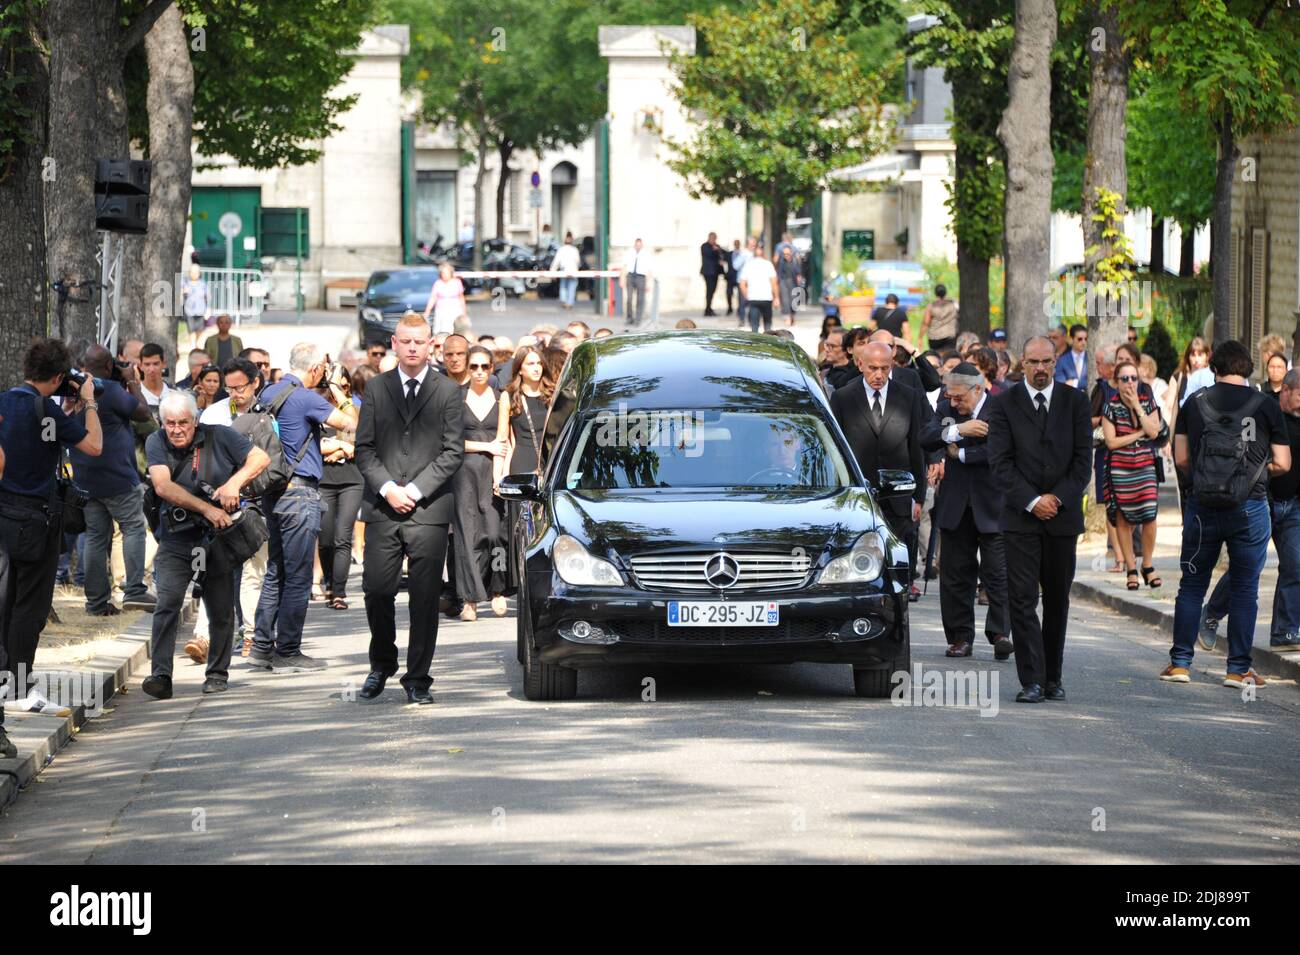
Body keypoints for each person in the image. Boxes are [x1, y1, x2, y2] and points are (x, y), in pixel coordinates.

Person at [1162, 340, 1291, 688]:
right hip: (1249, 507)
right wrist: (1254, 476)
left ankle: (1180, 663)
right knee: (1246, 588)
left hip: (1202, 507)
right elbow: (1282, 462)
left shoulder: (1195, 402)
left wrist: (1203, 483)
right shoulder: (1266, 405)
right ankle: (1237, 669)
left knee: (1191, 585)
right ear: (1248, 368)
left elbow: (1183, 458)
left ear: (1214, 369)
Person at [354, 313, 464, 704]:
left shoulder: (448, 392)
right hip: (384, 508)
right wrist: (387, 488)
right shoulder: (377, 389)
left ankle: (418, 678)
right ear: (395, 344)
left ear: (431, 344)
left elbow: (453, 452)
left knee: (424, 598)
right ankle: (382, 663)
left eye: (420, 341)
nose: (413, 347)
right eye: (406, 341)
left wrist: (415, 490)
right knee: (377, 590)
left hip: (429, 509)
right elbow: (363, 449)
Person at [0, 340, 102, 742]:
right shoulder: (48, 411)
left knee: (4, 602)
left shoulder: (6, 401)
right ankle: (20, 689)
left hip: (3, 516)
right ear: (60, 377)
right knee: (30, 606)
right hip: (36, 521)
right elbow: (93, 445)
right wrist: (89, 403)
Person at [140, 392, 270, 699]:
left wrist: (234, 484)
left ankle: (217, 673)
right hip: (176, 537)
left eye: (182, 422)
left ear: (195, 421)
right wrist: (208, 508)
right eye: (169, 423)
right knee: (167, 604)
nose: (176, 429)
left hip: (217, 538)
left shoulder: (218, 436)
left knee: (221, 608)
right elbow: (162, 486)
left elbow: (260, 458)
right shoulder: (156, 441)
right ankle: (160, 674)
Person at [986, 335, 1092, 704]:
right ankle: (1031, 678)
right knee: (1023, 599)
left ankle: (1053, 678)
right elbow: (1000, 464)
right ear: (1023, 365)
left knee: (1058, 600)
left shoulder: (1075, 401)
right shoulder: (1003, 405)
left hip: (1062, 519)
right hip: (1021, 518)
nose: (1042, 368)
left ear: (1055, 361)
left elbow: (1083, 463)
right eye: (1034, 362)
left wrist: (1057, 499)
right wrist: (1032, 501)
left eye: (1048, 361)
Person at [249, 343, 358, 672]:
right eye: (322, 369)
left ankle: (262, 646)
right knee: (297, 577)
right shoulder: (306, 397)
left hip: (273, 490)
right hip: (300, 493)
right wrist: (338, 390)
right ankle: (289, 651)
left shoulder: (270, 392)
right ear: (314, 369)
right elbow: (351, 423)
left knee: (276, 570)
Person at [920, 363, 1013, 660]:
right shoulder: (947, 408)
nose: (954, 402)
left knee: (997, 572)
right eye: (951, 397)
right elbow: (926, 437)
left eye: (960, 397)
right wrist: (958, 430)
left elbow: (1001, 451)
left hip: (993, 503)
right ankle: (960, 636)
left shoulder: (1001, 407)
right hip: (955, 503)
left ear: (978, 388)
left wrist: (959, 452)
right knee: (956, 574)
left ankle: (1000, 633)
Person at [830, 342, 926, 589]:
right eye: (873, 368)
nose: (879, 375)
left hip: (899, 497)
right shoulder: (843, 397)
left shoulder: (908, 396)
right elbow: (836, 450)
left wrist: (918, 496)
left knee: (896, 568)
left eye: (885, 368)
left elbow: (916, 447)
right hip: (858, 495)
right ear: (860, 365)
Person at [70, 345, 155, 617]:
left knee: (95, 536)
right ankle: (134, 591)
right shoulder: (109, 388)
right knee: (133, 528)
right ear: (108, 366)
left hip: (85, 478)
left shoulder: (76, 389)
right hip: (117, 476)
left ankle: (96, 602)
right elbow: (143, 413)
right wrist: (131, 379)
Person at [452, 345, 512, 621]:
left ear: (491, 369)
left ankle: (497, 591)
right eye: (473, 366)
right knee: (468, 535)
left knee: (495, 534)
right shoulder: (456, 397)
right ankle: (470, 599)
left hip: (492, 471)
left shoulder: (502, 398)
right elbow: (450, 441)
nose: (478, 372)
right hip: (463, 472)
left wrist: (500, 475)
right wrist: (484, 446)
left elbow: (503, 442)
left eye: (484, 367)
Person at [1101, 358, 1167, 591]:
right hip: (1120, 469)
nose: (1130, 383)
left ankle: (1147, 565)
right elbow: (1110, 442)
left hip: (1145, 467)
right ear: (1115, 382)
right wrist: (1138, 433)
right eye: (1124, 379)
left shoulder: (1148, 402)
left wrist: (1138, 408)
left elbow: (1154, 431)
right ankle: (1130, 567)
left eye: (1133, 378)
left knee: (1150, 515)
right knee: (1123, 518)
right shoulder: (1110, 406)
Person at [317, 364, 363, 612]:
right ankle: (328, 581)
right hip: (324, 480)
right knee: (325, 539)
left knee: (342, 536)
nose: (340, 391)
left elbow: (359, 439)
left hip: (352, 479)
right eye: (335, 385)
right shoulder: (317, 407)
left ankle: (339, 591)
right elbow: (315, 444)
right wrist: (341, 447)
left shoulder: (354, 408)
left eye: (345, 386)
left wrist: (344, 446)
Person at [739, 245, 779, 334]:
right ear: (763, 254)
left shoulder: (748, 265)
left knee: (754, 325)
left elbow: (742, 284)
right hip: (766, 297)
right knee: (768, 325)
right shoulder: (768, 264)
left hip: (753, 298)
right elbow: (774, 282)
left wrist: (747, 295)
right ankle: (768, 343)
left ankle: (755, 344)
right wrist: (776, 297)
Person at [423, 262, 467, 335]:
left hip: (454, 310)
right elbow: (433, 298)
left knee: (455, 329)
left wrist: (464, 312)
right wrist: (427, 311)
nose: (445, 275)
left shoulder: (457, 282)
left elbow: (461, 297)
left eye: (446, 273)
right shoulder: (438, 283)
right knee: (440, 330)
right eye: (443, 273)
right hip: (441, 310)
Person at [623, 238, 653, 327]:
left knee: (640, 300)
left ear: (642, 245)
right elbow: (624, 266)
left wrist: (648, 283)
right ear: (635, 245)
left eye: (640, 245)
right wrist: (622, 278)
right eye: (637, 245)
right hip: (630, 276)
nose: (638, 247)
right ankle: (629, 318)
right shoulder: (629, 253)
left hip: (641, 277)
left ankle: (638, 319)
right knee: (629, 299)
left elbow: (649, 270)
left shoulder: (646, 255)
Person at [921, 285, 958, 351]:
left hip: (935, 337)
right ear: (945, 292)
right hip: (950, 335)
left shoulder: (931, 306)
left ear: (935, 293)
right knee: (949, 356)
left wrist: (920, 337)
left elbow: (926, 323)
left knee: (936, 357)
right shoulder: (953, 304)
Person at [181, 263, 210, 350]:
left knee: (200, 329)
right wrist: (183, 291)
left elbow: (207, 296)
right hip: (189, 310)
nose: (194, 274)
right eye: (192, 272)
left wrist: (208, 309)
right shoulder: (185, 282)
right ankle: (192, 346)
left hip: (200, 310)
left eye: (196, 272)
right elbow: (179, 292)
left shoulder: (203, 283)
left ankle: (197, 343)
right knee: (191, 330)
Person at [551, 236, 582, 310]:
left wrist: (553, 271)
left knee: (563, 286)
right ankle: (570, 303)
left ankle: (564, 300)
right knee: (572, 287)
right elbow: (578, 261)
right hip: (573, 270)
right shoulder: (575, 250)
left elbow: (556, 261)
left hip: (564, 270)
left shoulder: (561, 249)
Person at [776, 244, 803, 327]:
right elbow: (778, 274)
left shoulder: (795, 262)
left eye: (787, 254)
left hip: (793, 282)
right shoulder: (781, 262)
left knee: (793, 301)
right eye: (784, 254)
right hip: (783, 282)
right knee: (785, 300)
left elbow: (798, 273)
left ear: (791, 253)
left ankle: (792, 316)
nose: (786, 256)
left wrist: (799, 280)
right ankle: (787, 318)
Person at [1055, 324, 1089, 390]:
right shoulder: (1062, 360)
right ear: (1071, 339)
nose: (1083, 342)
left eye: (1086, 339)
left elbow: (1093, 381)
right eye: (1080, 339)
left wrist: (1074, 383)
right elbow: (1060, 384)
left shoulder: (1091, 359)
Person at [700, 232, 726, 317]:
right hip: (708, 272)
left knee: (713, 290)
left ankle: (709, 308)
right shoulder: (705, 246)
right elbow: (709, 255)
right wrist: (715, 250)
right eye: (713, 238)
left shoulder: (716, 246)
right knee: (709, 290)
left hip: (715, 272)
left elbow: (723, 252)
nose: (714, 240)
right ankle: (707, 309)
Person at [732, 237, 756, 328]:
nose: (754, 245)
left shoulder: (755, 254)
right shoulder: (743, 254)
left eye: (754, 244)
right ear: (748, 244)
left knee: (752, 301)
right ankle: (742, 320)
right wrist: (743, 258)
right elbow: (735, 266)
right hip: (743, 281)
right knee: (742, 302)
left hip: (753, 281)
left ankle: (752, 320)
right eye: (752, 244)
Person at [726, 239, 744, 320]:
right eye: (735, 243)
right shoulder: (729, 254)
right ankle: (730, 308)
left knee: (740, 295)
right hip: (730, 277)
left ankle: (740, 309)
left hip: (740, 277)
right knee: (729, 293)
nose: (736, 245)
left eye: (738, 243)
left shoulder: (742, 255)